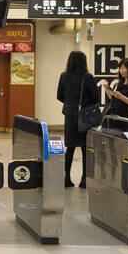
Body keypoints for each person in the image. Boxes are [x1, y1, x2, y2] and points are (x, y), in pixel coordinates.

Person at [56, 50, 99, 188]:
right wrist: (85, 106)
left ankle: (66, 178)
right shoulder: (88, 77)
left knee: (70, 148)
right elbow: (96, 98)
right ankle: (84, 180)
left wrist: (70, 104)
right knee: (85, 148)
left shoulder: (64, 76)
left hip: (70, 116)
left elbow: (59, 96)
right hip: (85, 117)